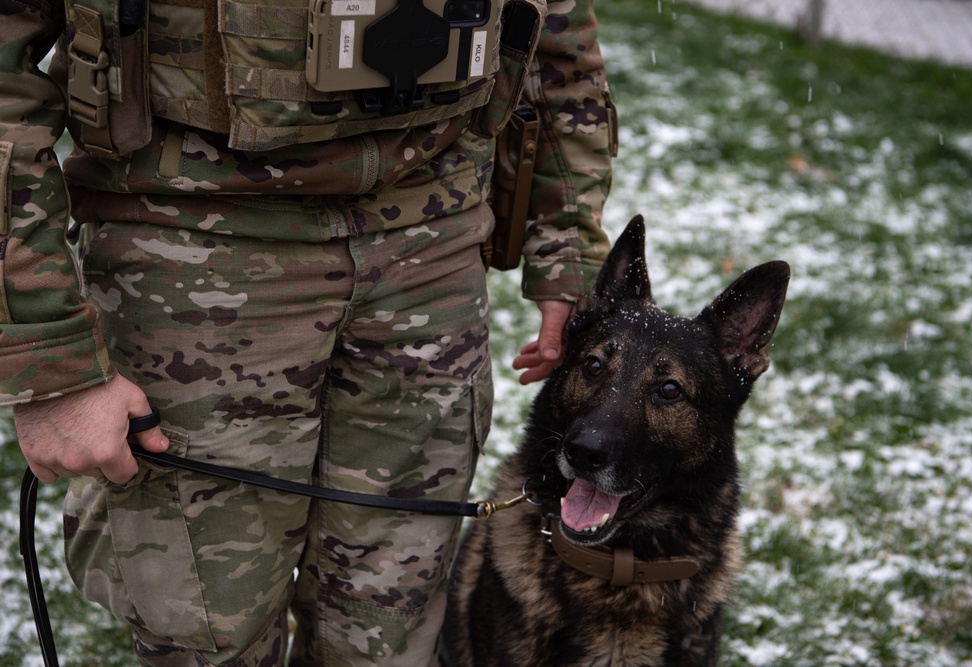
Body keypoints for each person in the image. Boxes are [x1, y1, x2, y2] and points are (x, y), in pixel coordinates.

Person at [0, 0, 615, 664]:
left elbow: (554, 27)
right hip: (188, 252)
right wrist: (52, 361)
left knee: (390, 632)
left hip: (430, 245)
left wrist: (569, 252)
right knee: (206, 634)